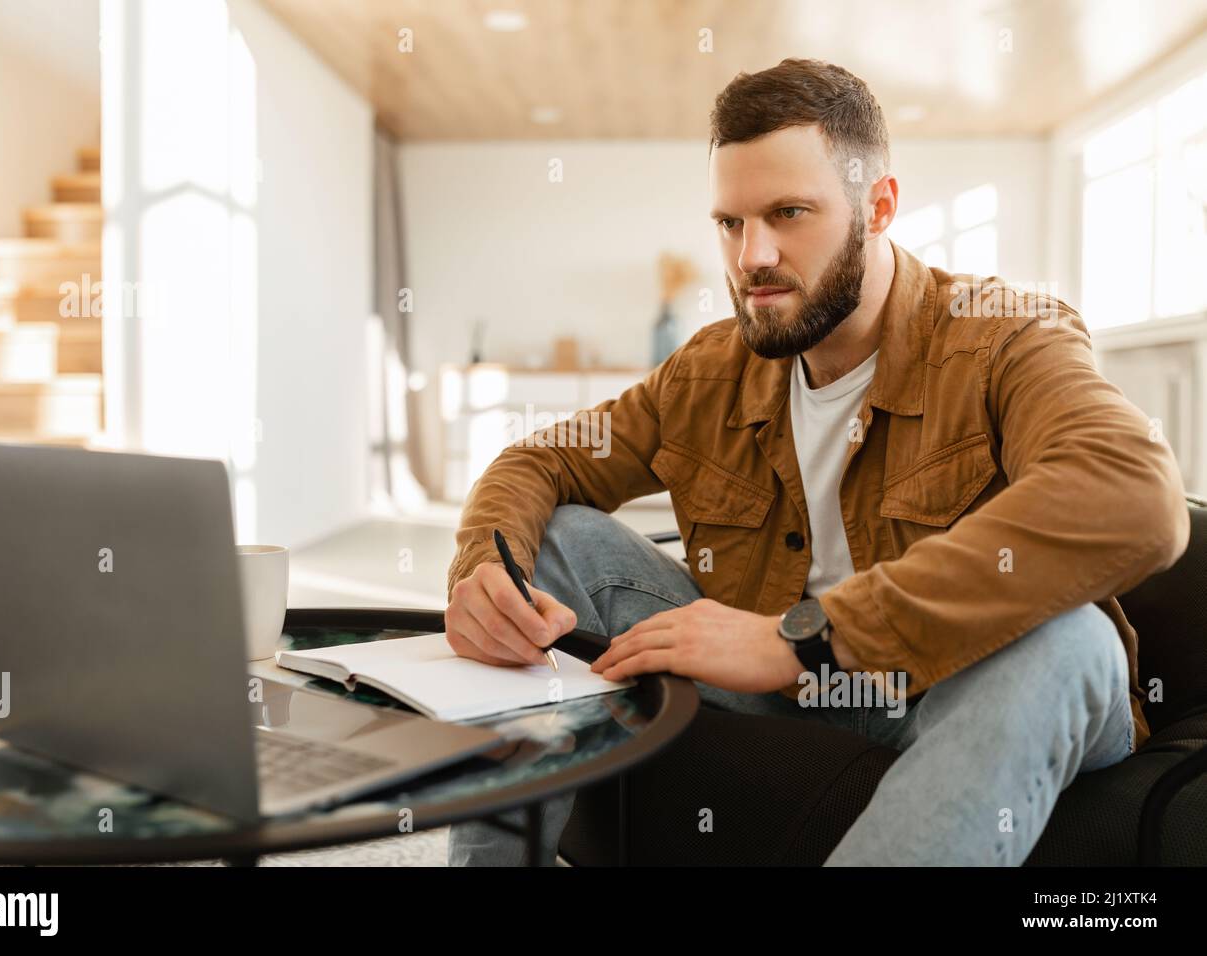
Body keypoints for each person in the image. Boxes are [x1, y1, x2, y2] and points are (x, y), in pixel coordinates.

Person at [442, 58, 1189, 866]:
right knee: (552, 539)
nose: (751, 257)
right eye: (729, 223)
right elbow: (541, 460)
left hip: (949, 681)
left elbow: (1135, 497)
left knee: (1070, 641)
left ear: (880, 205)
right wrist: (483, 568)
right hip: (783, 687)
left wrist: (811, 638)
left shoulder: (1004, 334)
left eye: (788, 213)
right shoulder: (707, 369)